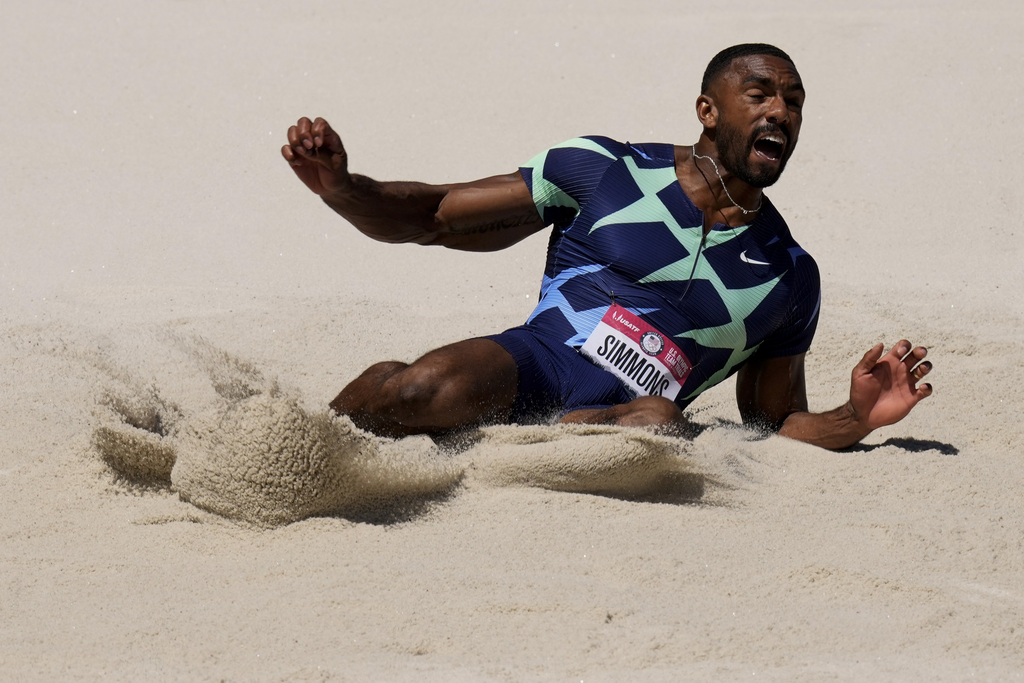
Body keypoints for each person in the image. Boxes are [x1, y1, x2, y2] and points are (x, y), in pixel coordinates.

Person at [281, 43, 933, 450]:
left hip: (625, 416)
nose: (781, 113)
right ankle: (298, 445)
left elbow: (774, 425)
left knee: (656, 425)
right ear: (708, 110)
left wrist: (854, 416)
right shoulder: (605, 170)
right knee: (423, 389)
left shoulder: (789, 277)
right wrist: (343, 188)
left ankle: (534, 438)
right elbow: (435, 215)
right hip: (536, 361)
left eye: (793, 102)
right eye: (760, 94)